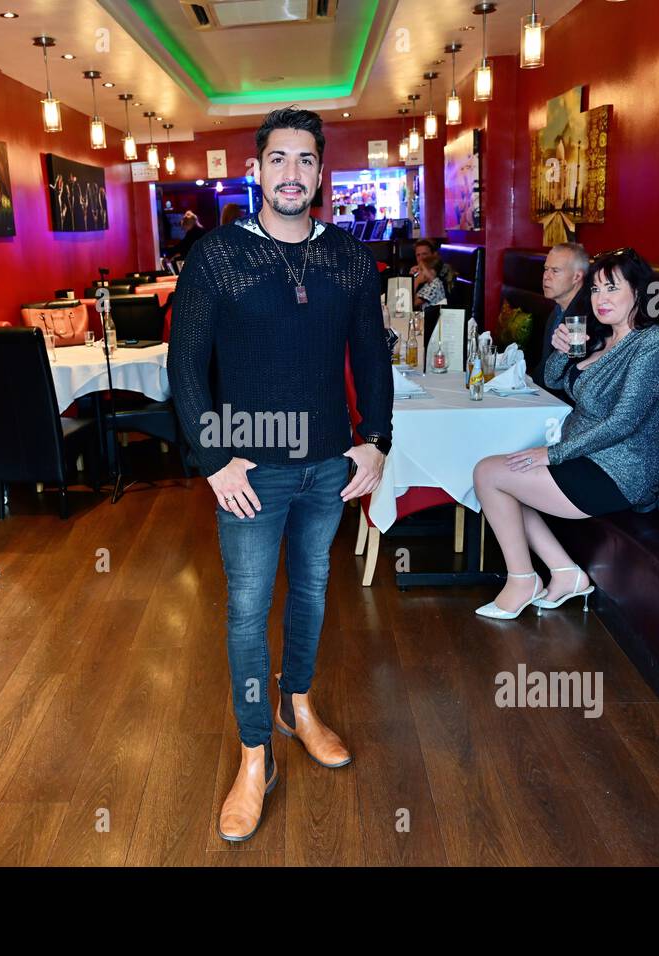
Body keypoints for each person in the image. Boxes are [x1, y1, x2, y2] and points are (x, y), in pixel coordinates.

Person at [168, 107, 393, 843]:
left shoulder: (351, 257)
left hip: (329, 464)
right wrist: (212, 456)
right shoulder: (217, 255)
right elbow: (186, 365)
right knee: (244, 609)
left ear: (320, 172)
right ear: (257, 170)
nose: (291, 173)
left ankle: (299, 703)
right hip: (248, 470)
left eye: (305, 160)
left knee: (316, 590)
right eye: (278, 160)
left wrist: (376, 439)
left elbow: (371, 353)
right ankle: (254, 750)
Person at [470, 248, 659, 619]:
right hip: (584, 455)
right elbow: (551, 380)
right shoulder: (601, 335)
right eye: (597, 289)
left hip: (623, 469)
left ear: (638, 291)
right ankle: (565, 574)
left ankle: (525, 580)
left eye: (612, 289)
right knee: (497, 472)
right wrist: (562, 350)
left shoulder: (656, 344)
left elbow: (624, 423)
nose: (601, 299)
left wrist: (552, 454)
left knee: (491, 474)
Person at [534, 242, 591, 385]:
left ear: (577, 277)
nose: (546, 276)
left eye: (555, 270)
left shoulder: (583, 318)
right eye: (546, 269)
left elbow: (569, 379)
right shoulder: (558, 309)